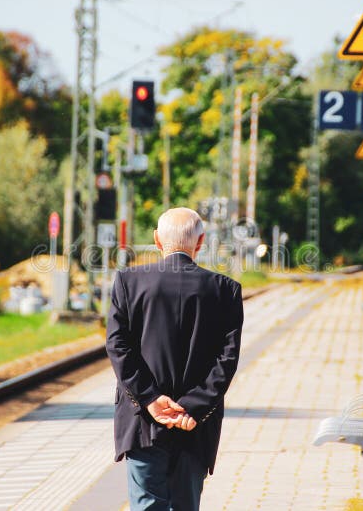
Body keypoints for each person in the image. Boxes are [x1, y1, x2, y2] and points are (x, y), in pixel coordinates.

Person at [106, 207, 244, 510]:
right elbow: (227, 358)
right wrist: (193, 406)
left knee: (146, 505)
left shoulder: (128, 282)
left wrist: (151, 399)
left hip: (143, 421)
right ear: (201, 241)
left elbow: (117, 346)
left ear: (156, 240)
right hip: (195, 423)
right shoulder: (226, 291)